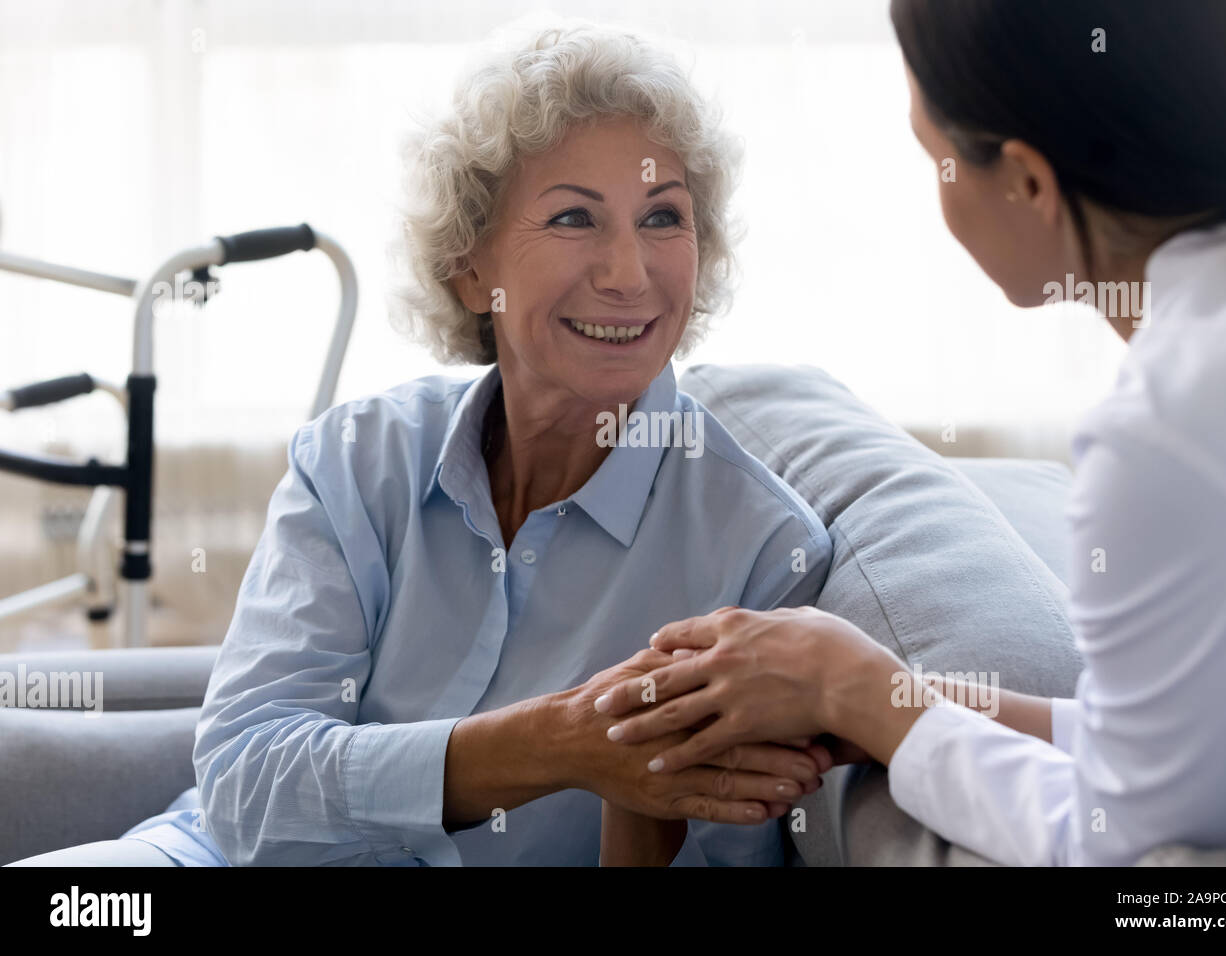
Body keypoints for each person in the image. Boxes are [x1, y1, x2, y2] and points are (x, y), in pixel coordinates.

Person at [8, 21, 832, 868]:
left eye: (664, 217)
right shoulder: (355, 462)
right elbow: (244, 784)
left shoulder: (761, 551)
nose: (628, 272)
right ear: (470, 269)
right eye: (574, 217)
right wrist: (553, 742)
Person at [597, 0, 1226, 866]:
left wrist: (855, 689)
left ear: (1029, 183)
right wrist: (897, 698)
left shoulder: (1172, 432)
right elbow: (1188, 757)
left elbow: (1134, 854)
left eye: (938, 161)